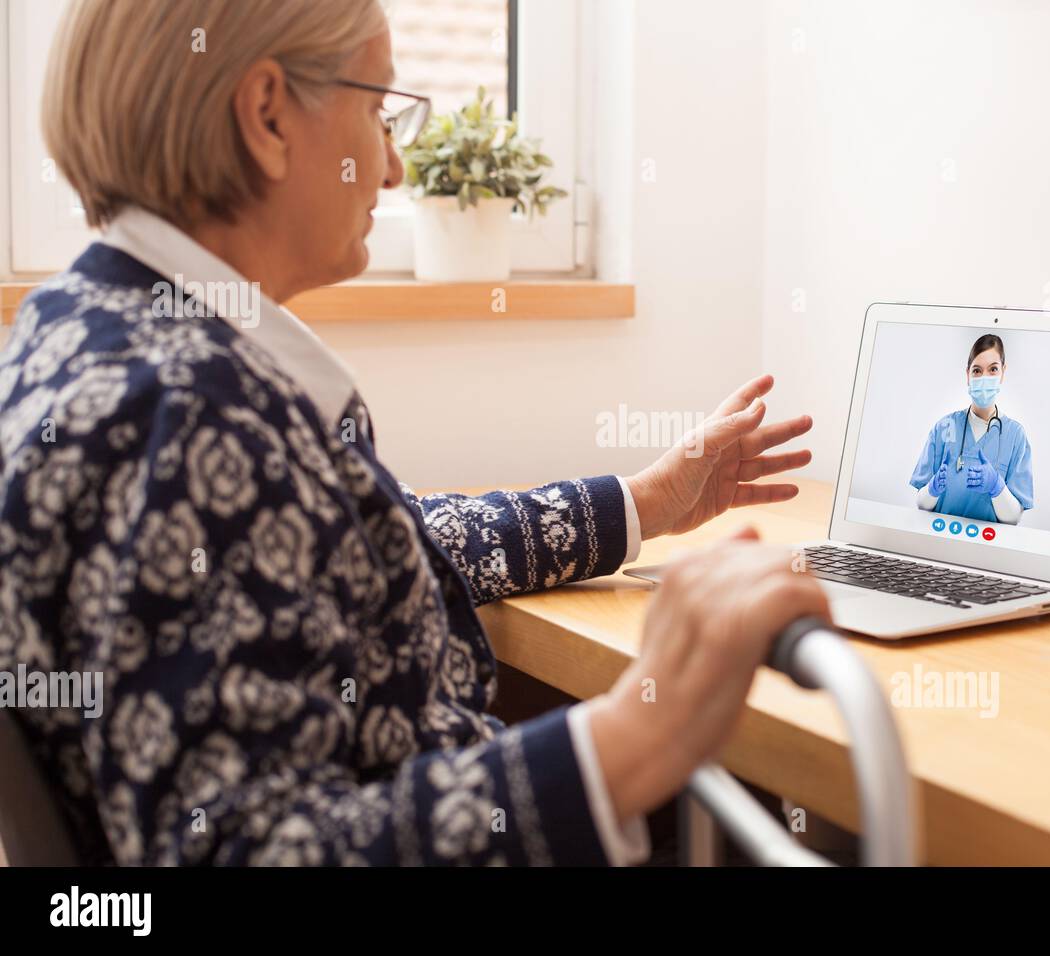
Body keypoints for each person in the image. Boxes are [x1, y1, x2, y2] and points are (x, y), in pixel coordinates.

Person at [0, 0, 827, 866]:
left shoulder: (82, 328)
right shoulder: (190, 415)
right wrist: (634, 738)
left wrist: (645, 503)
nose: (394, 169)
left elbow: (346, 552)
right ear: (269, 116)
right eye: (378, 111)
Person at [909, 333, 1034, 524]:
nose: (984, 377)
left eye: (993, 369)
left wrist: (997, 487)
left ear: (1003, 372)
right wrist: (932, 489)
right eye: (977, 371)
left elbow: (1014, 518)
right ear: (967, 375)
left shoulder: (1015, 436)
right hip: (939, 542)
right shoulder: (944, 427)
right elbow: (921, 504)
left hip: (987, 549)